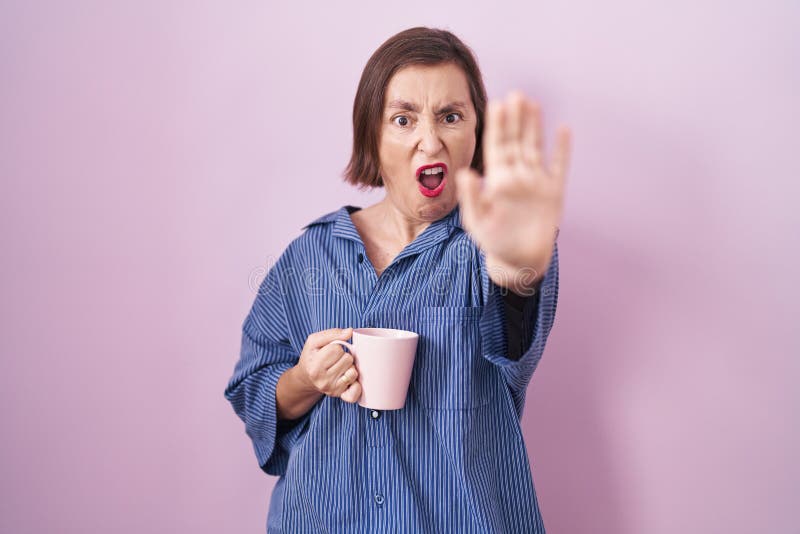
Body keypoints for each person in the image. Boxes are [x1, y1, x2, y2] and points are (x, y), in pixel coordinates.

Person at [225, 26, 571, 533]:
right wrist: (306, 380)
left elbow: (516, 343)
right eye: (403, 119)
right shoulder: (310, 256)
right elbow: (253, 389)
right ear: (373, 134)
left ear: (476, 135)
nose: (429, 140)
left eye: (451, 117)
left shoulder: (497, 243)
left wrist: (518, 273)